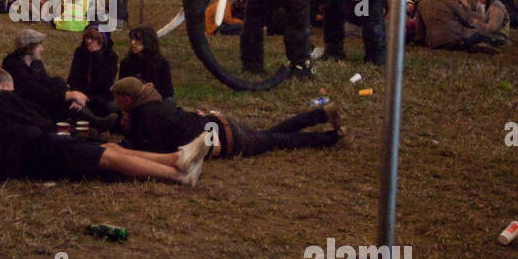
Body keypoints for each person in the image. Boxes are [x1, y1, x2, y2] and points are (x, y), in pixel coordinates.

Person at [0, 70, 206, 186]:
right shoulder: (1, 101)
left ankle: (175, 159)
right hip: (37, 150)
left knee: (110, 147)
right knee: (107, 155)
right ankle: (178, 175)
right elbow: (36, 119)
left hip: (36, 148)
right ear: (5, 86)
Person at [109, 77, 344, 159]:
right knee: (270, 135)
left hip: (228, 140)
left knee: (279, 140)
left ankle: (330, 137)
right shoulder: (154, 103)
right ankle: (320, 113)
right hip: (221, 124)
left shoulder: (146, 116)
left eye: (118, 99)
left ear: (128, 100)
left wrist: (126, 135)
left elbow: (154, 149)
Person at [1, 28, 89, 118]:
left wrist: (71, 96)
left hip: (40, 101)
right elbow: (34, 93)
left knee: (58, 82)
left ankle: (79, 111)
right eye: (39, 46)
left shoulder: (35, 63)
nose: (42, 49)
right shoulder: (14, 65)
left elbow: (46, 82)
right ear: (30, 48)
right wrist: (68, 95)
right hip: (25, 107)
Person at [417, 0, 499, 53]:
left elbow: (420, 27)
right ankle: (482, 45)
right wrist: (467, 8)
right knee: (480, 35)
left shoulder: (421, 4)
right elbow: (466, 21)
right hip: (454, 39)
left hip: (434, 43)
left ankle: (474, 45)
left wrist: (420, 41)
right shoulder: (450, 3)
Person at [67, 26, 120, 114]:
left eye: (93, 38)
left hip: (101, 96)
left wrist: (98, 60)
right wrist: (78, 96)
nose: (89, 41)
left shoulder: (110, 56)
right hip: (82, 93)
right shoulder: (81, 52)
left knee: (112, 107)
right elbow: (74, 77)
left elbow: (106, 83)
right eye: (87, 37)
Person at [119, 25, 176, 99]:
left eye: (137, 39)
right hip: (133, 100)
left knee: (170, 101)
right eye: (132, 39)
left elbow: (168, 91)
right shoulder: (126, 63)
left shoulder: (161, 63)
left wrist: (153, 88)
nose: (133, 42)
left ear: (147, 41)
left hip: (154, 99)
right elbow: (121, 89)